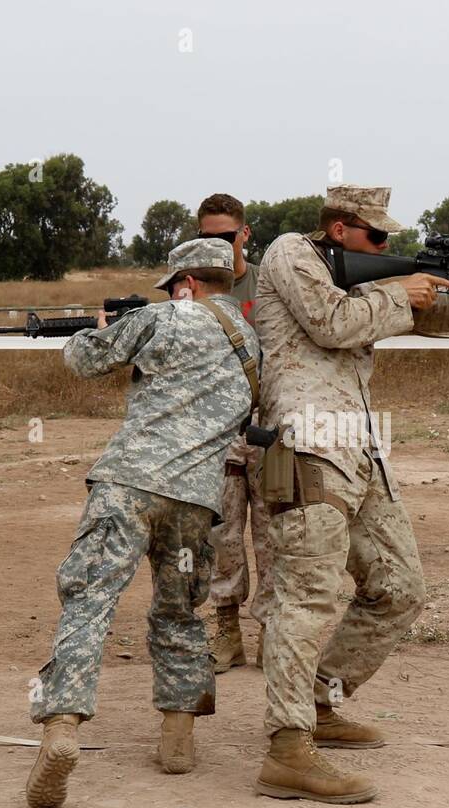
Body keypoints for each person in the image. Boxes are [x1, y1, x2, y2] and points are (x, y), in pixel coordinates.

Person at [25, 238, 257, 808]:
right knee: (179, 609)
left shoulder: (162, 317)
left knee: (89, 600)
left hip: (127, 488)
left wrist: (99, 327)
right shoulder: (251, 342)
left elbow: (83, 360)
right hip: (196, 503)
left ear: (186, 283)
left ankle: (62, 729)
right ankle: (177, 738)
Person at [252, 184, 449, 803]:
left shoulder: (363, 284)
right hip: (307, 444)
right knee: (307, 595)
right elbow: (331, 324)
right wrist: (398, 293)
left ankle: (321, 698)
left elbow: (441, 322)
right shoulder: (290, 253)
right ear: (340, 230)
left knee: (399, 587)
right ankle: (288, 748)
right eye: (377, 238)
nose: (387, 247)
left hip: (359, 450)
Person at [195, 193, 273, 672]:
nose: (219, 245)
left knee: (272, 533)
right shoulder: (192, 288)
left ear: (244, 233)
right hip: (217, 428)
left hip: (266, 423)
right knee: (222, 532)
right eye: (208, 238)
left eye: (226, 236)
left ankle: (270, 630)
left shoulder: (268, 284)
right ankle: (226, 629)